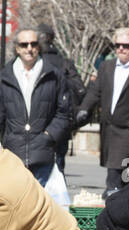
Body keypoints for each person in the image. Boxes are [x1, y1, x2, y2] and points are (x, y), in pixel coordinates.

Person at [0, 27, 72, 184]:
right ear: (17, 48)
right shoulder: (4, 77)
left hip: (44, 155)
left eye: (33, 44)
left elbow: (64, 113)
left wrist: (48, 136)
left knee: (42, 206)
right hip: (13, 156)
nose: (29, 49)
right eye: (24, 45)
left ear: (39, 46)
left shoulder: (54, 75)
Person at [75, 28, 129, 198]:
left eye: (125, 46)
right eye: (117, 45)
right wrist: (84, 109)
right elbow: (95, 92)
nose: (121, 49)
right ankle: (127, 200)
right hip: (109, 127)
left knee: (117, 166)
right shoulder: (106, 67)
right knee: (125, 170)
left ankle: (111, 193)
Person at [36, 24, 84, 174]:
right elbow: (80, 89)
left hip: (37, 120)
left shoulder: (34, 64)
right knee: (59, 164)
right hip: (61, 120)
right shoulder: (65, 62)